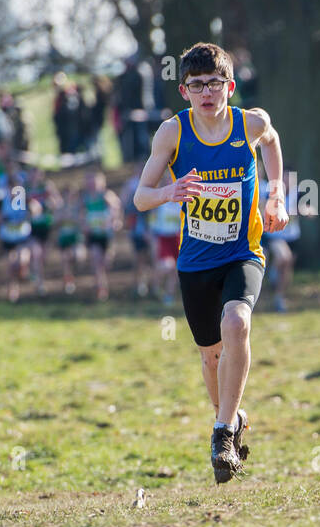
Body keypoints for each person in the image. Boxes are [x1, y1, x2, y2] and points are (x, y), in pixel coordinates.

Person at [132, 42, 289, 484]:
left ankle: (221, 431)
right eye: (197, 85)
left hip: (243, 252)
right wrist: (170, 192)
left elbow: (273, 142)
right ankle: (233, 418)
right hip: (195, 261)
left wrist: (276, 192)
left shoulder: (250, 124)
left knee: (237, 322)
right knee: (210, 356)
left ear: (229, 87)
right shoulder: (172, 133)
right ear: (184, 91)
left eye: (214, 84)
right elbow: (140, 197)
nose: (207, 92)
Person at [260, 167, 301, 312]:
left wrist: (306, 210)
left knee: (288, 267)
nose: (288, 180)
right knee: (285, 258)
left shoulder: (298, 191)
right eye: (285, 177)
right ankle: (273, 273)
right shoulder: (270, 192)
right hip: (274, 235)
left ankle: (279, 297)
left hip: (292, 236)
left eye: (290, 177)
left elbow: (303, 205)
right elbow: (264, 208)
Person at [0, 155, 33, 302]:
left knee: (21, 261)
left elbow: (30, 211)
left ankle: (24, 274)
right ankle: (12, 290)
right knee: (10, 265)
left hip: (21, 236)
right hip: (8, 236)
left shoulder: (21, 199)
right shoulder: (2, 199)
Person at [81, 170, 122, 301]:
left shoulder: (106, 195)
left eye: (94, 181)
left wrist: (116, 220)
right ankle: (101, 289)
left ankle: (104, 284)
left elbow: (117, 207)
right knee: (96, 260)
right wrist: (83, 225)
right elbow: (80, 214)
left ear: (101, 182)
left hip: (107, 235)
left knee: (106, 263)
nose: (92, 184)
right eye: (89, 182)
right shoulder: (85, 198)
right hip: (93, 234)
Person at [121, 165, 155, 299]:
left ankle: (149, 285)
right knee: (139, 257)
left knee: (150, 258)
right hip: (137, 228)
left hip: (149, 228)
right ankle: (139, 285)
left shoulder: (152, 184)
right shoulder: (132, 186)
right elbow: (127, 206)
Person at [55, 185, 82, 295]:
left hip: (75, 237)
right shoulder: (60, 208)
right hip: (64, 238)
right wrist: (62, 217)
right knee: (65, 259)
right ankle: (68, 281)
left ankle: (73, 276)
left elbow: (82, 221)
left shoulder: (78, 207)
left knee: (76, 256)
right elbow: (55, 221)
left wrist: (74, 218)